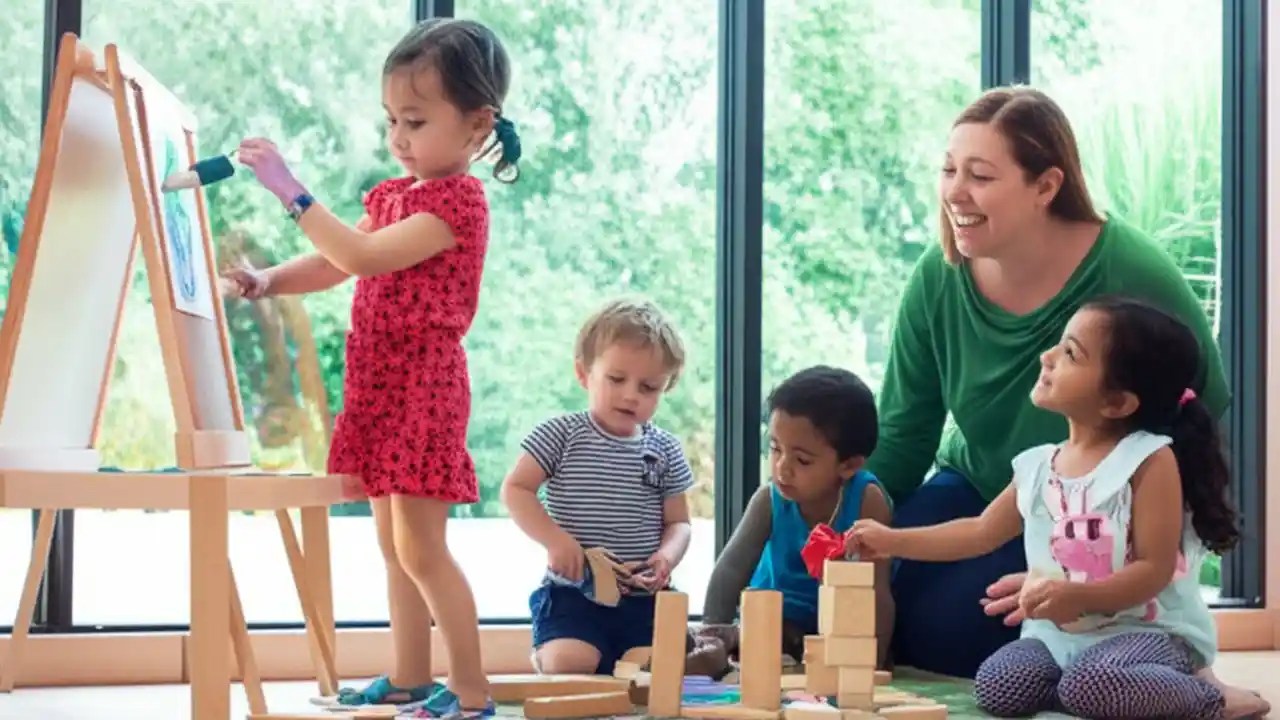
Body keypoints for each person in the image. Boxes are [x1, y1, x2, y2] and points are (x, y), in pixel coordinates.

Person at [865, 85, 1230, 679]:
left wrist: (1093, 568)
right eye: (949, 169)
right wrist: (847, 516)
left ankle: (1177, 670)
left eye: (980, 175)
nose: (955, 191)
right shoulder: (938, 275)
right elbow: (905, 432)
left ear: (1046, 186)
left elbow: (1197, 405)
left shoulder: (1132, 271)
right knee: (886, 596)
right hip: (984, 486)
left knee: (959, 632)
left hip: (1092, 509)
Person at [223, 17, 521, 718]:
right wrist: (268, 280)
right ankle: (411, 674)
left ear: (478, 126)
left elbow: (360, 258)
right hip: (380, 385)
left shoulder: (457, 204)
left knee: (421, 547)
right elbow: (332, 261)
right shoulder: (392, 195)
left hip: (423, 388)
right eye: (392, 119)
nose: (398, 136)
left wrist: (290, 190)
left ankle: (471, 686)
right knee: (392, 545)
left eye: (415, 120)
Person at [849, 297, 1269, 719]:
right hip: (1058, 639)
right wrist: (890, 541)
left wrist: (1079, 595)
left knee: (1093, 684)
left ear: (1118, 402)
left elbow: (1152, 570)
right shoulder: (1036, 466)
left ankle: (1209, 699)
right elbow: (979, 531)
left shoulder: (1148, 460)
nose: (1046, 357)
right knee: (999, 686)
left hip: (1148, 632)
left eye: (1070, 353)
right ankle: (1104, 696)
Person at [500, 298, 695, 676]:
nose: (631, 395)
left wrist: (666, 558)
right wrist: (556, 540)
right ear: (583, 374)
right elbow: (516, 489)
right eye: (616, 379)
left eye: (649, 386)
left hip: (643, 597)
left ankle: (616, 659)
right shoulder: (561, 434)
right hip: (573, 593)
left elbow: (680, 524)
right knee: (571, 665)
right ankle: (553, 654)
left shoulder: (666, 447)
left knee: (657, 671)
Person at [697, 366, 893, 672]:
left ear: (848, 465)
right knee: (744, 643)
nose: (782, 468)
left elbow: (877, 591)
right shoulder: (769, 500)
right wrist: (711, 634)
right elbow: (731, 568)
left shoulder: (867, 501)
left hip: (833, 628)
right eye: (775, 449)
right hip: (771, 621)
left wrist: (874, 661)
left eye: (802, 459)